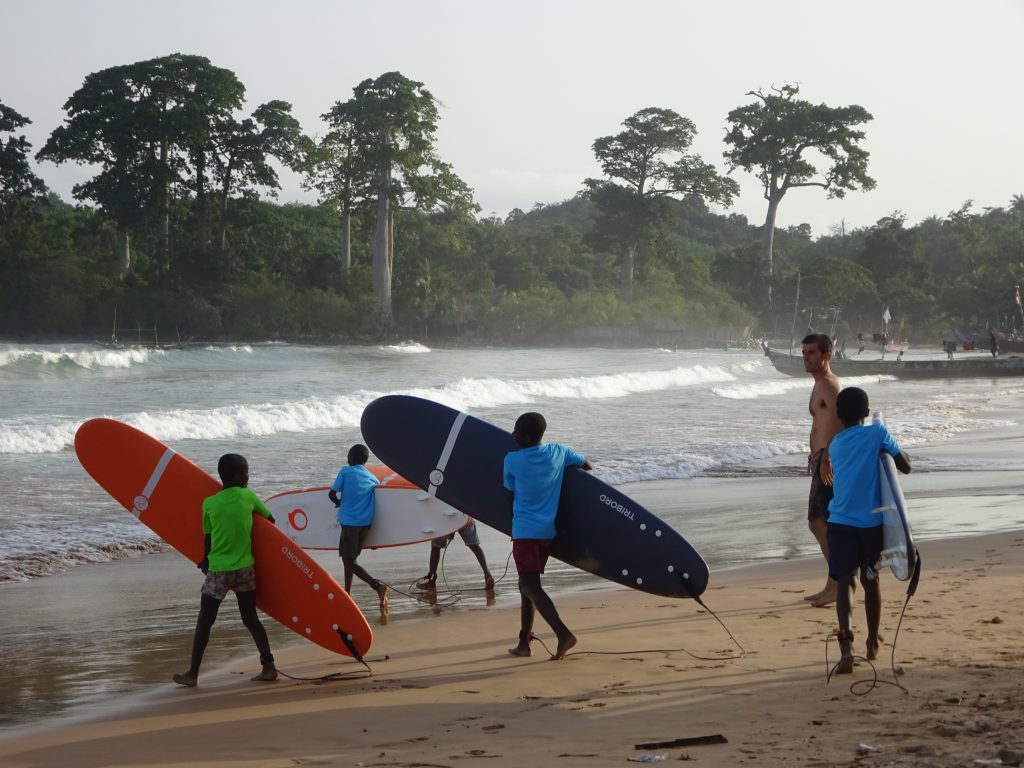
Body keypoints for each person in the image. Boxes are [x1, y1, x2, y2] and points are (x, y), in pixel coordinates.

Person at [825, 387, 911, 673]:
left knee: (845, 582)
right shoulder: (876, 434)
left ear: (838, 416)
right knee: (870, 580)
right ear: (865, 413)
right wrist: (886, 438)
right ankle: (873, 642)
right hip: (871, 525)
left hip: (839, 522)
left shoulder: (834, 444)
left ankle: (846, 643)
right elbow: (905, 466)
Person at [173, 453, 277, 687]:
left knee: (205, 621)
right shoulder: (247, 496)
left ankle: (192, 674)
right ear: (239, 476)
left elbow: (208, 540)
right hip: (245, 568)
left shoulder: (209, 503)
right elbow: (270, 521)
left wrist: (205, 562)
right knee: (250, 618)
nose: (248, 477)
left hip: (219, 570)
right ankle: (268, 666)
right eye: (246, 472)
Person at [503, 412, 591, 661]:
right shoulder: (558, 452)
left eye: (516, 431)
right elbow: (586, 465)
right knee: (528, 587)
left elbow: (508, 495)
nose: (512, 435)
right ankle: (524, 643)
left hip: (525, 532)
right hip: (547, 533)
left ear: (526, 436)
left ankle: (563, 634)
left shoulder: (512, 460)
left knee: (528, 586)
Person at [801, 333, 844, 608]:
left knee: (819, 523)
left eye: (811, 353)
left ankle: (838, 583)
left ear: (826, 356)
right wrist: (815, 453)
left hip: (831, 463)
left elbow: (845, 423)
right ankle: (833, 583)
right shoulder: (818, 385)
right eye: (804, 353)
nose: (805, 358)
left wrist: (827, 456)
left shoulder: (829, 385)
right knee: (820, 523)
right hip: (821, 460)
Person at [328, 444, 389, 612]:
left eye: (348, 455)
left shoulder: (345, 472)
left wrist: (338, 503)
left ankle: (377, 586)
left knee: (349, 561)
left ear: (351, 458)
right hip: (365, 524)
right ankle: (347, 594)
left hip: (350, 523)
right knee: (350, 560)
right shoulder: (372, 477)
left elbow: (332, 494)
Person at [414, 520, 495, 591]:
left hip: (446, 519)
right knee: (474, 546)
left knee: (435, 547)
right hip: (465, 516)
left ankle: (431, 580)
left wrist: (452, 528)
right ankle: (488, 575)